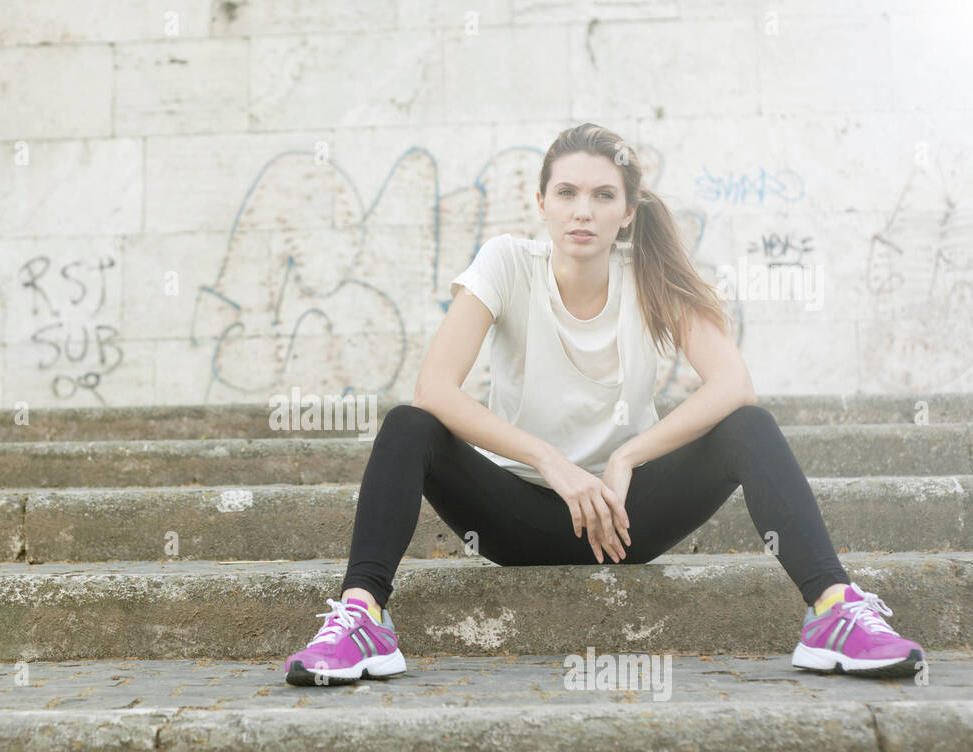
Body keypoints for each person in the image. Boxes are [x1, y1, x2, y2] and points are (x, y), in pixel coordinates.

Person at [283, 123, 925, 687]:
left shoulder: (649, 274)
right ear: (541, 203)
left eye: (602, 195)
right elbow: (435, 389)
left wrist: (626, 457)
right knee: (407, 425)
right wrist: (550, 462)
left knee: (748, 427)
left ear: (627, 210)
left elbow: (733, 385)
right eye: (566, 193)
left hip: (625, 521)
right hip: (515, 514)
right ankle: (363, 618)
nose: (581, 211)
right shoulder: (506, 263)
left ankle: (833, 612)